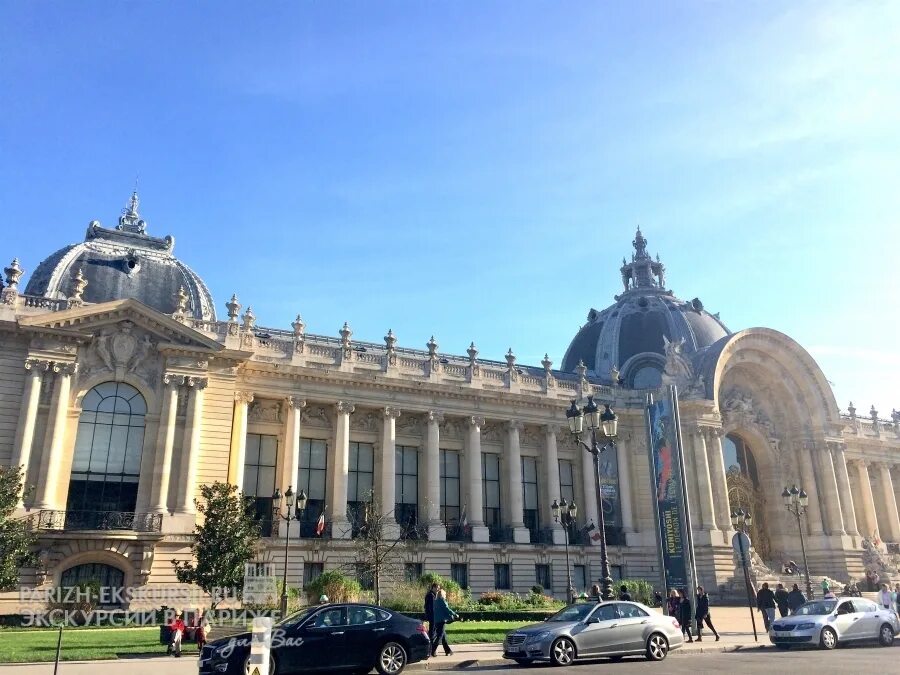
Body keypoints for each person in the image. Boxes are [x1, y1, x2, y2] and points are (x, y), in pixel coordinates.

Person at [431, 589, 457, 657]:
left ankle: (448, 651)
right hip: (442, 620)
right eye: (445, 594)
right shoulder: (442, 601)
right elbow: (447, 609)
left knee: (443, 637)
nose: (445, 596)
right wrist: (455, 614)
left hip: (436, 620)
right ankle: (432, 650)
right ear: (442, 595)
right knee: (440, 636)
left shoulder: (435, 601)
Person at [424, 582, 438, 653]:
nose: (438, 590)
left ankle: (430, 649)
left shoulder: (429, 594)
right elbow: (432, 608)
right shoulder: (431, 595)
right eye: (437, 588)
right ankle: (431, 650)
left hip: (428, 617)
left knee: (430, 633)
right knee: (431, 634)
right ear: (433, 588)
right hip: (431, 618)